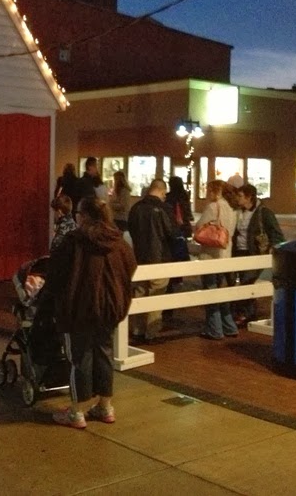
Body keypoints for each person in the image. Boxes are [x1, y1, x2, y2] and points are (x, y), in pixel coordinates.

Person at [46, 196, 137, 429]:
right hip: (110, 308)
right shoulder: (118, 241)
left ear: (84, 216)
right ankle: (105, 406)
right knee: (104, 353)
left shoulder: (74, 241)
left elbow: (56, 274)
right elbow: (130, 267)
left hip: (80, 308)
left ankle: (77, 412)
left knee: (80, 358)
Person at [231, 183, 285, 325]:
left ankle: (246, 313)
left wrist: (274, 248)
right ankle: (246, 311)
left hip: (254, 253)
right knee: (244, 282)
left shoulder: (263, 212)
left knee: (247, 281)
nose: (238, 198)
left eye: (241, 196)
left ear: (249, 197)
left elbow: (276, 233)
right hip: (239, 252)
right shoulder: (238, 212)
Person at [127, 179, 173, 342]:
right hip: (159, 258)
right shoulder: (163, 209)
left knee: (140, 292)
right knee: (156, 294)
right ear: (162, 191)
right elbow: (170, 233)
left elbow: (130, 230)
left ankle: (137, 328)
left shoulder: (136, 208)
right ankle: (151, 331)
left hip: (139, 257)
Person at [196, 180, 239, 340]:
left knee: (211, 291)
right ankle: (229, 325)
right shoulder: (232, 207)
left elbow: (200, 225)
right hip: (226, 254)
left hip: (211, 254)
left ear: (215, 191)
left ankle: (214, 328)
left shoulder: (213, 207)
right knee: (222, 292)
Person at [164, 176, 193, 292]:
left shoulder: (169, 197)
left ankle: (174, 276)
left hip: (174, 227)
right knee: (181, 250)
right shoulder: (184, 196)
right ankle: (179, 277)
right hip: (184, 228)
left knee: (173, 252)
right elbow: (187, 213)